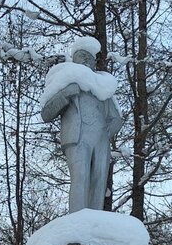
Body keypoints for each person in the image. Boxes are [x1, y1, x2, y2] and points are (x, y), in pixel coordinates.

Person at [40, 41, 123, 213]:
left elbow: (116, 118)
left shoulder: (101, 86)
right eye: (82, 56)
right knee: (80, 176)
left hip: (100, 138)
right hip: (77, 136)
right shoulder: (64, 79)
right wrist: (66, 94)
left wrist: (105, 132)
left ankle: (94, 219)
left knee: (99, 180)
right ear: (74, 59)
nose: (86, 61)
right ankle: (78, 219)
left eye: (90, 58)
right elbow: (46, 114)